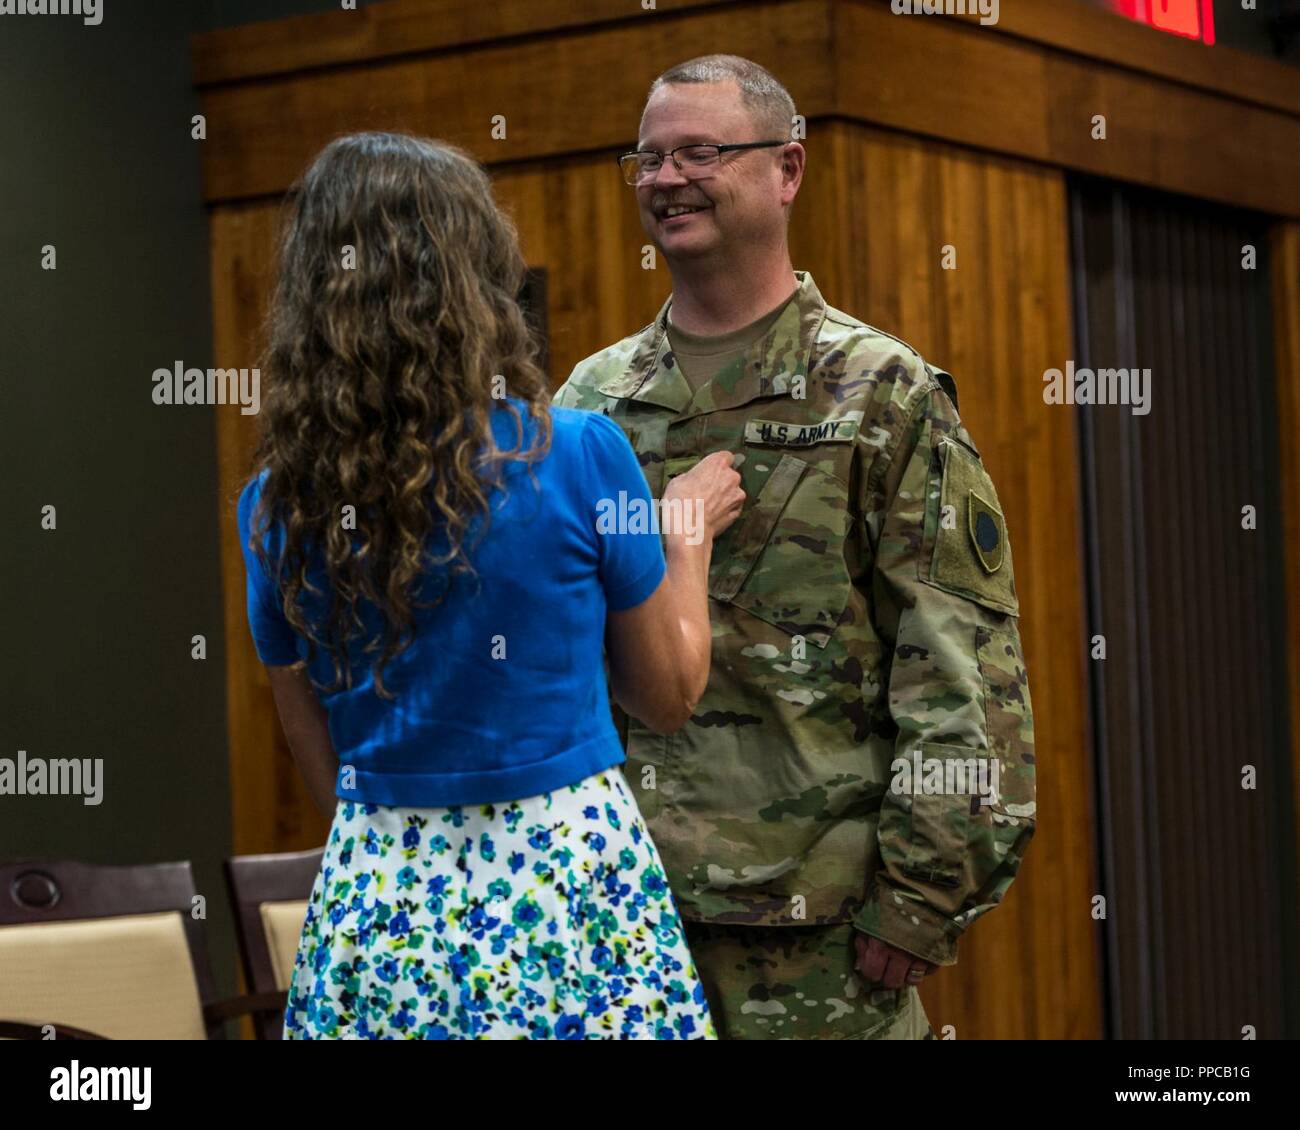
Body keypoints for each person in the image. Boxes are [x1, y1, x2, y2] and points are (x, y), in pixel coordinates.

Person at [553, 55, 1037, 1040]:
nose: (665, 178)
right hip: (625, 927)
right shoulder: (587, 405)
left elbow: (961, 672)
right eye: (646, 158)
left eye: (699, 151)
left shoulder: (879, 393)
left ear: (788, 167)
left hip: (817, 943)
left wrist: (920, 894)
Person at [237, 131, 745, 1039]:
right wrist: (686, 536)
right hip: (567, 898)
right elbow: (668, 692)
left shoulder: (275, 508)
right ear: (475, 282)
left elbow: (326, 770)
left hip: (378, 908)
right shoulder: (579, 454)